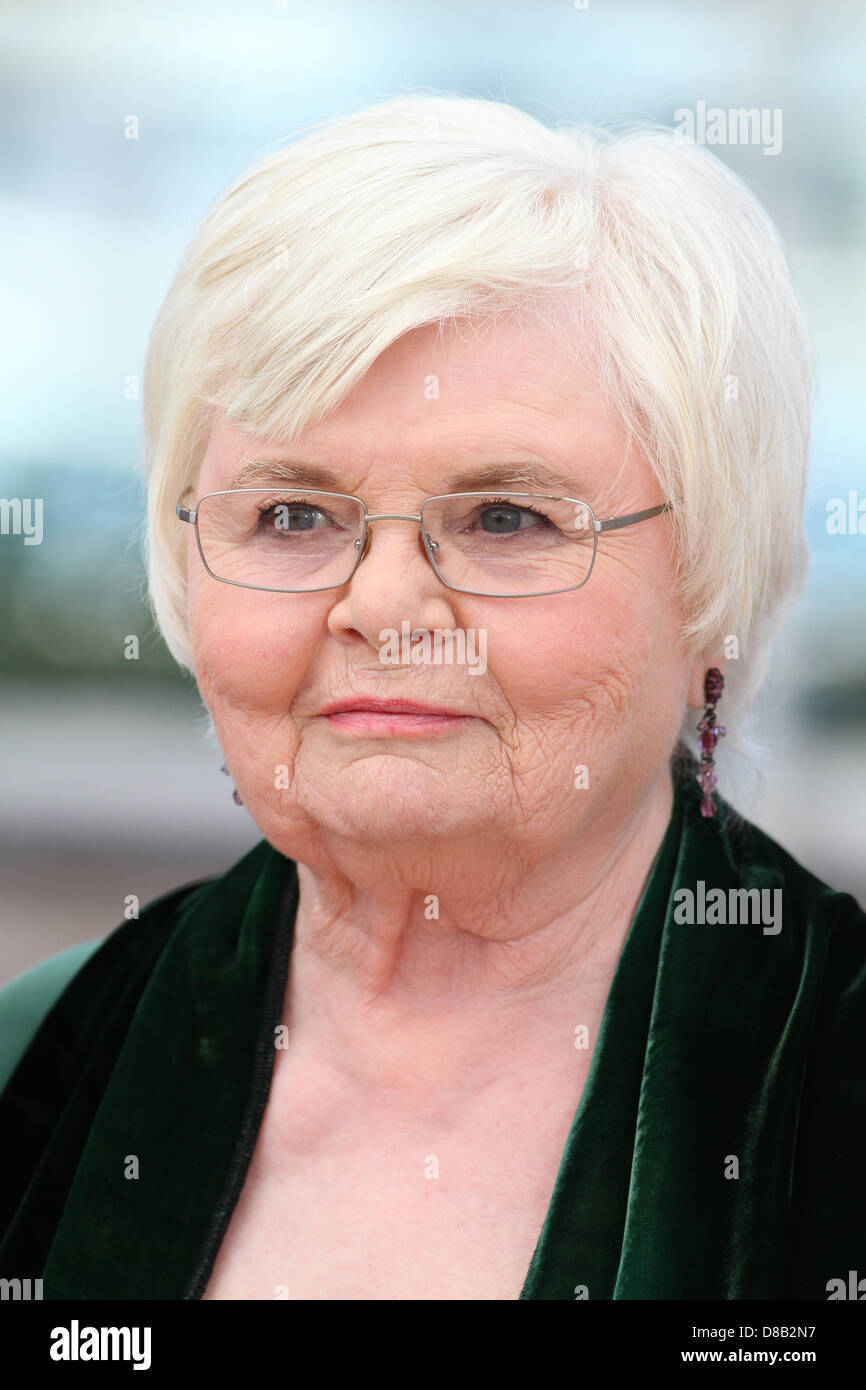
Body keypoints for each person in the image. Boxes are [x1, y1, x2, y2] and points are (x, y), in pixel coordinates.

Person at [1, 93, 863, 1302]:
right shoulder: (34, 1056)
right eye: (291, 514)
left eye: (504, 517)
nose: (383, 605)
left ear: (707, 589)